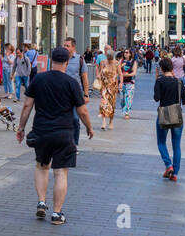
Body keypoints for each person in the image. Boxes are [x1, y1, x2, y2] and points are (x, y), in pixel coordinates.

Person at [17, 46, 93, 225]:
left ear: (51, 61)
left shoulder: (39, 79)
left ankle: (41, 202)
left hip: (41, 131)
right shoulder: (71, 83)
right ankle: (57, 214)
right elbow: (82, 111)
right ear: (67, 62)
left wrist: (21, 127)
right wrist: (89, 127)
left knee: (42, 167)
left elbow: (27, 105)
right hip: (63, 133)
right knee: (60, 173)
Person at [153, 57, 185, 181]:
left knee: (161, 142)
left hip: (163, 114)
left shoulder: (160, 81)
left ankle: (168, 165)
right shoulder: (178, 82)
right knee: (176, 145)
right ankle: (175, 174)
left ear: (162, 69)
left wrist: (156, 81)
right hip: (176, 115)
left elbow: (156, 98)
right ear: (172, 68)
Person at [61, 37, 90, 144]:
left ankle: (74, 142)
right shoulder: (60, 59)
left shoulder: (79, 60)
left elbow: (84, 78)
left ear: (73, 47)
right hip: (62, 94)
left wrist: (86, 95)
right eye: (64, 45)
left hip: (75, 95)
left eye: (67, 46)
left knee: (74, 118)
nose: (65, 47)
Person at [95, 49, 120, 129]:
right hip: (104, 86)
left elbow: (120, 74)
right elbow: (100, 71)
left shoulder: (116, 63)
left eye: (110, 59)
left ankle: (111, 122)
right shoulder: (103, 62)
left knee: (112, 105)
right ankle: (104, 122)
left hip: (113, 86)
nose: (109, 60)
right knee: (103, 104)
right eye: (108, 58)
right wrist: (98, 75)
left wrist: (121, 83)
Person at [119, 48, 137, 119]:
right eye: (124, 52)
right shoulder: (121, 61)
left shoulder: (133, 62)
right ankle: (124, 109)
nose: (125, 54)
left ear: (130, 54)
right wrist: (121, 66)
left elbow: (134, 72)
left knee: (129, 98)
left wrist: (127, 75)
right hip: (121, 82)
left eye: (127, 52)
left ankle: (127, 112)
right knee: (122, 99)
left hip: (130, 82)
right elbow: (117, 70)